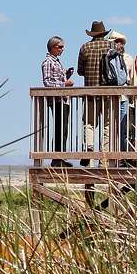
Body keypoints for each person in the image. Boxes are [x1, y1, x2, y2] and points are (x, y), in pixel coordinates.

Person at [76, 21, 114, 165]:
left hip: (90, 92)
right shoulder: (111, 46)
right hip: (107, 92)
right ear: (104, 33)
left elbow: (80, 71)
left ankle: (89, 149)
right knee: (107, 125)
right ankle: (104, 158)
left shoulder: (85, 47)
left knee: (89, 123)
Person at [41, 36, 75, 167]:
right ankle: (57, 158)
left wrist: (66, 74)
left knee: (63, 129)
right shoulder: (48, 62)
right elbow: (47, 82)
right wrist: (64, 84)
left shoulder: (56, 61)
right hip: (56, 99)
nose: (62, 49)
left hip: (63, 99)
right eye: (60, 47)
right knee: (60, 128)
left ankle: (60, 157)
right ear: (53, 47)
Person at [108, 32, 133, 151]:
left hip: (124, 97)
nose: (120, 45)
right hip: (110, 96)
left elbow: (132, 79)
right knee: (110, 127)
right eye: (117, 41)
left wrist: (135, 95)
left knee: (123, 127)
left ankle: (122, 155)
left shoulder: (128, 58)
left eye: (122, 42)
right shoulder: (106, 56)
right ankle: (110, 156)